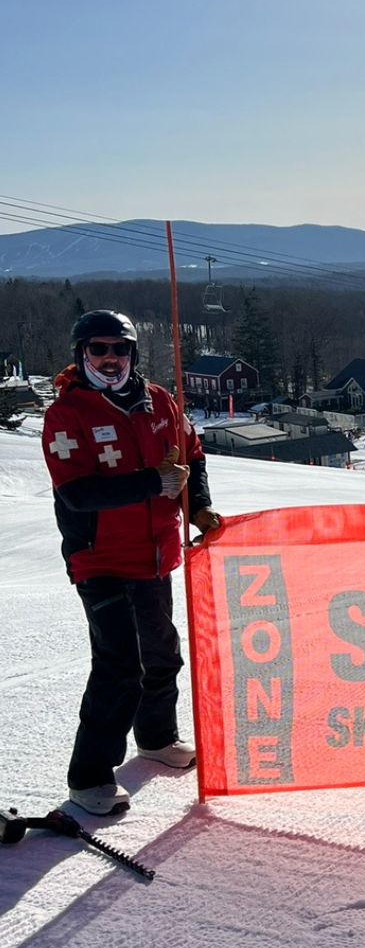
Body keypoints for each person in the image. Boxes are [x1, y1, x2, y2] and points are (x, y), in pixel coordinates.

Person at [42, 310, 221, 815]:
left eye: (120, 348)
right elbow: (76, 492)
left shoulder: (159, 400)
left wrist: (198, 506)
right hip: (100, 558)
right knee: (120, 665)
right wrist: (151, 483)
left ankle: (157, 738)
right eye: (98, 349)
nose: (110, 358)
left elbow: (192, 456)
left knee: (162, 654)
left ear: (132, 353)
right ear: (82, 354)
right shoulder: (67, 414)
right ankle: (89, 777)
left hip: (156, 552)